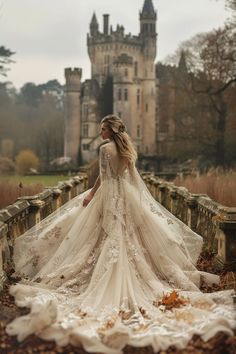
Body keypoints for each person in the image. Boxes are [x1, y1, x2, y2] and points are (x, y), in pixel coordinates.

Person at [6, 115, 235, 353]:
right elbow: (132, 178)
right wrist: (138, 201)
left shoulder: (105, 149)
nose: (101, 132)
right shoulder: (126, 148)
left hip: (109, 194)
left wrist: (91, 195)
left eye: (103, 129)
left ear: (110, 131)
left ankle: (98, 273)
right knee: (129, 237)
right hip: (125, 194)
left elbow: (102, 178)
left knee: (98, 236)